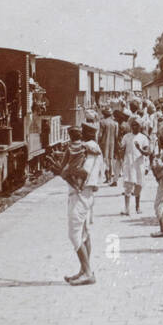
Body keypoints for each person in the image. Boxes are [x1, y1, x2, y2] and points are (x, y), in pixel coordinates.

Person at [64, 122, 105, 286]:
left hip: (79, 195)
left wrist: (65, 171)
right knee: (85, 233)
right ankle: (84, 269)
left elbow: (82, 173)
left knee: (74, 235)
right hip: (88, 196)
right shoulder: (96, 150)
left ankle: (88, 273)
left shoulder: (87, 151)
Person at [119, 117, 150, 216]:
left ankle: (137, 207)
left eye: (137, 125)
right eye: (133, 125)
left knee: (138, 185)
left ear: (140, 127)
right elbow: (121, 151)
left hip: (139, 164)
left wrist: (139, 149)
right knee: (128, 186)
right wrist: (121, 150)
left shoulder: (143, 138)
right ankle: (127, 209)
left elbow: (147, 152)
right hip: (129, 163)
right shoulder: (126, 137)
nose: (134, 127)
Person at [98, 108, 120, 187]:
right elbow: (116, 136)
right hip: (112, 143)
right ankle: (110, 177)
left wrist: (98, 142)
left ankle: (107, 178)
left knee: (104, 159)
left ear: (104, 114)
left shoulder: (102, 122)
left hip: (104, 143)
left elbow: (100, 135)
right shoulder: (115, 123)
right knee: (110, 159)